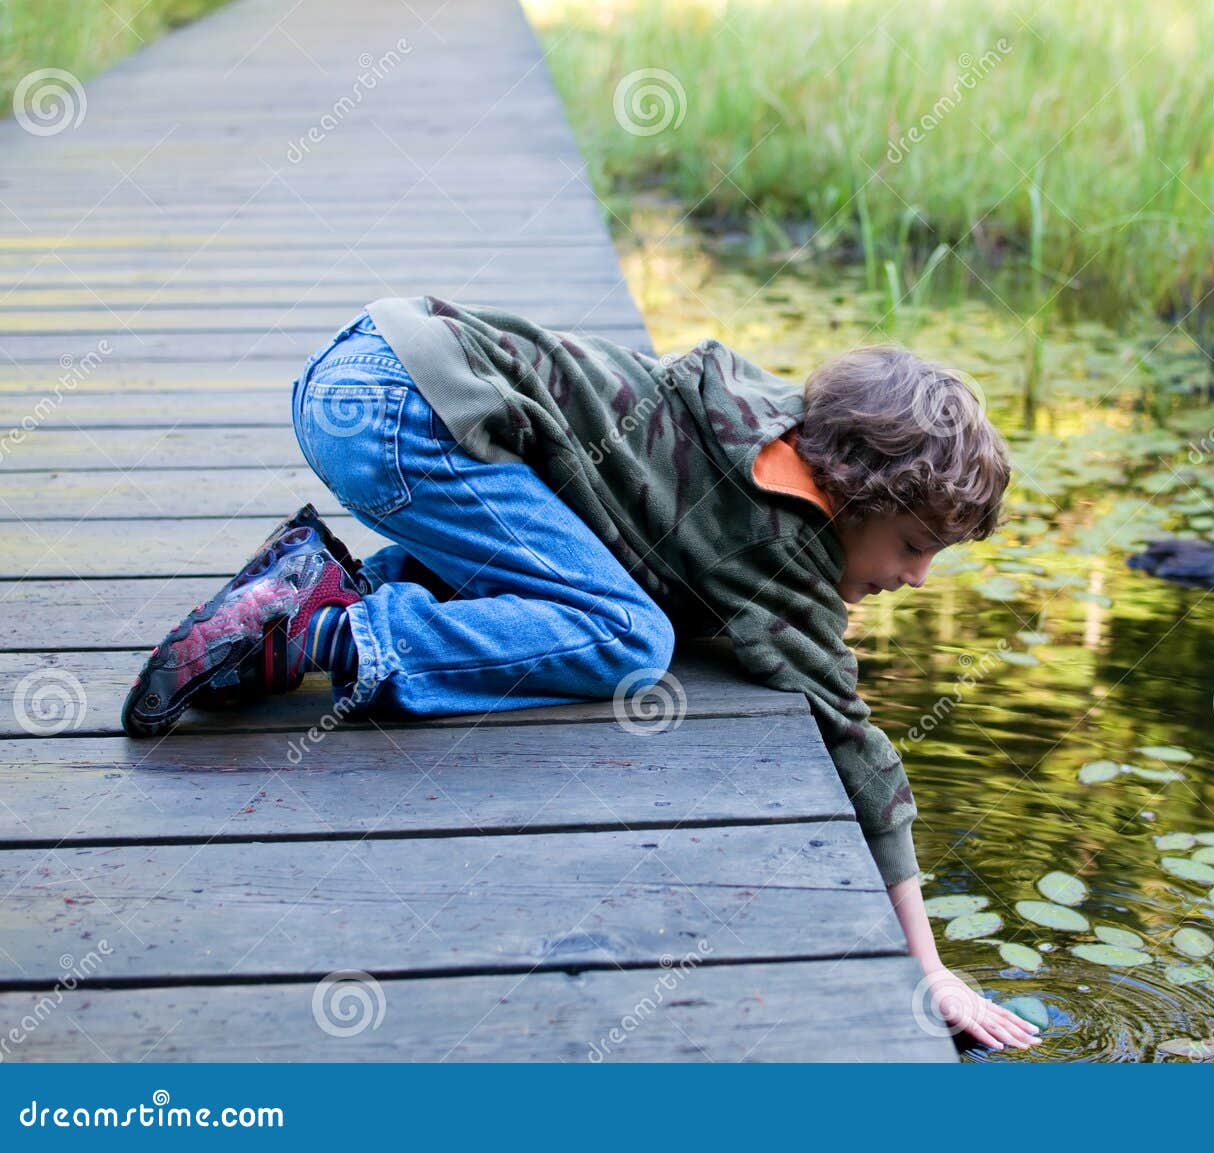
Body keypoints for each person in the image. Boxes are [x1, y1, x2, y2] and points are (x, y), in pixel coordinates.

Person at [121, 297, 1036, 1051]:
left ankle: (310, 587)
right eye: (912, 544)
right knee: (628, 635)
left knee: (577, 573)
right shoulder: (781, 546)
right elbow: (855, 744)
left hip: (362, 364)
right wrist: (929, 967)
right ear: (859, 496)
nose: (918, 576)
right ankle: (318, 633)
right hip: (406, 417)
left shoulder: (771, 415)